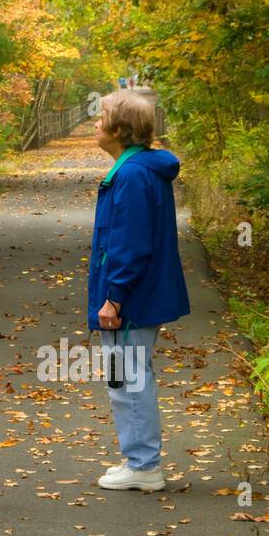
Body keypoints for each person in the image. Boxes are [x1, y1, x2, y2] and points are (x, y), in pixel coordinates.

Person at [88, 89, 191, 493]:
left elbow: (129, 245)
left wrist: (114, 298)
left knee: (128, 377)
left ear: (120, 129)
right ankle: (138, 459)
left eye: (101, 118)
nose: (96, 124)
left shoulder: (131, 175)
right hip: (138, 293)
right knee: (127, 375)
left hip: (131, 298)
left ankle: (145, 465)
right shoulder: (139, 169)